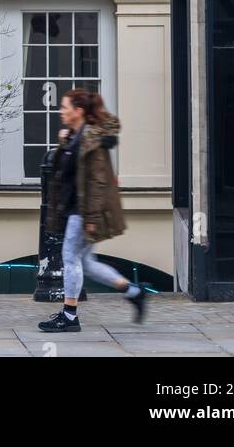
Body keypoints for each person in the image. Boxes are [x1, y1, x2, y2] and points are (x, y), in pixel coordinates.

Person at [38, 89, 147, 333]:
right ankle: (134, 292)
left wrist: (92, 217)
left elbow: (97, 182)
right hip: (76, 209)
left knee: (70, 258)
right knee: (85, 262)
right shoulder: (77, 136)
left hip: (83, 211)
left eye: (65, 107)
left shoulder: (91, 141)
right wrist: (65, 142)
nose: (61, 111)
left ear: (78, 111)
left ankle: (69, 315)